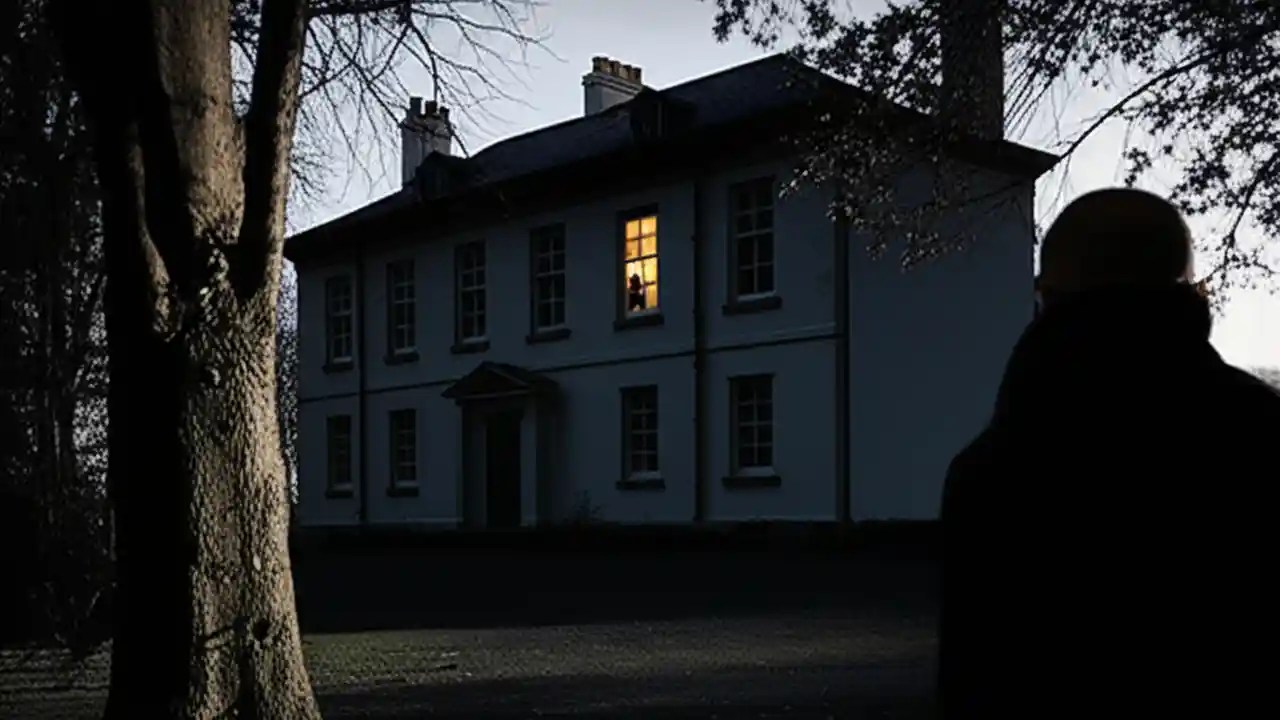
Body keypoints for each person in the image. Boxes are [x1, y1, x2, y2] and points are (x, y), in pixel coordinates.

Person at [937, 188, 1280, 718]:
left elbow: (973, 678)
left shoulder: (987, 470)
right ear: (1190, 292)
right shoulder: (1260, 431)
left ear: (1046, 295)